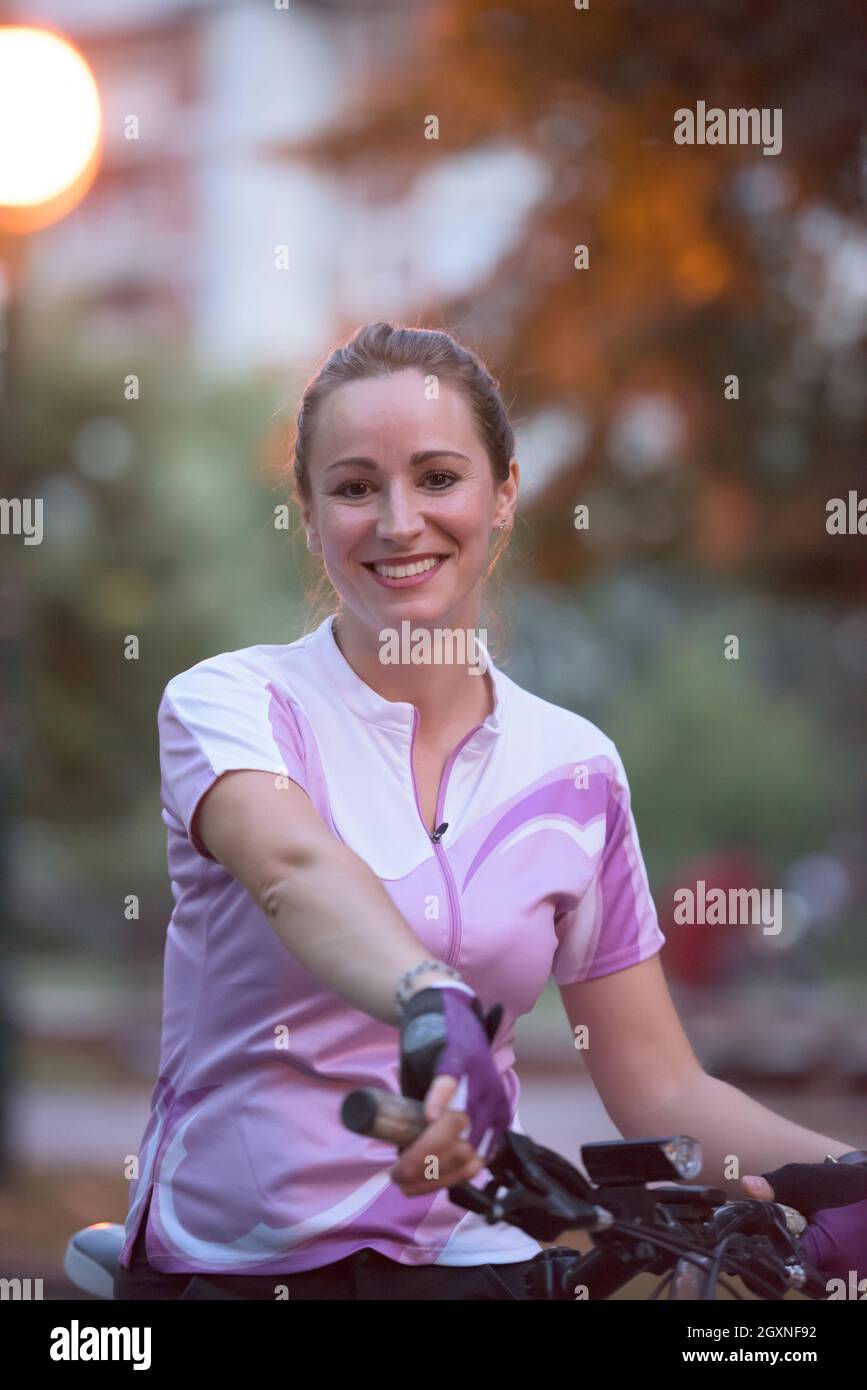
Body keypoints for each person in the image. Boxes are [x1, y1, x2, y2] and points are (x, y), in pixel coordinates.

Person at [115, 322, 864, 1301]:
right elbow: (292, 868)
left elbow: (663, 1087)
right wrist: (431, 997)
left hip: (476, 1263)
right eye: (353, 486)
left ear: (503, 494)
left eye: (437, 477)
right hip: (235, 1264)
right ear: (307, 513)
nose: (397, 520)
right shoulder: (231, 703)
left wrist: (851, 1177)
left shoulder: (576, 767)